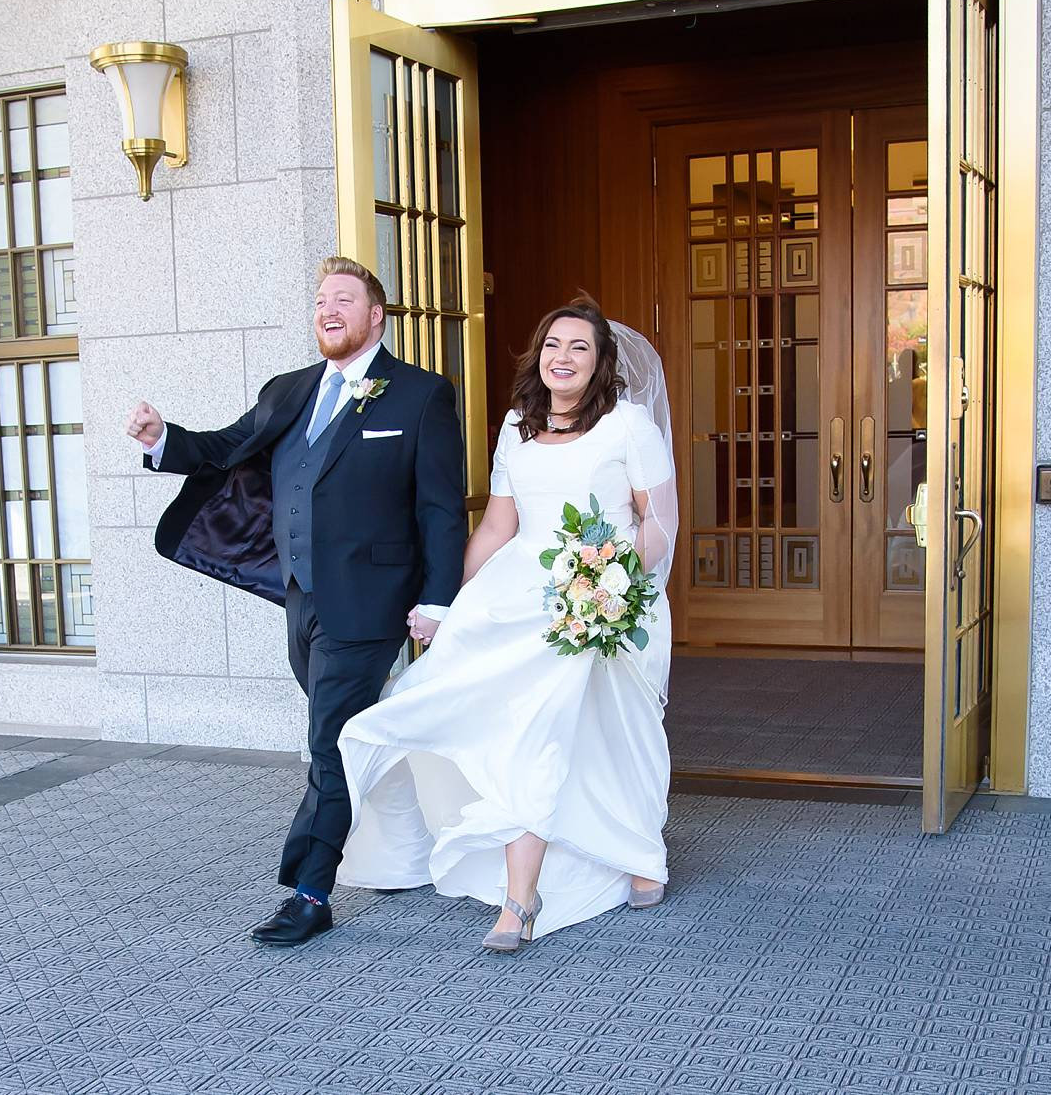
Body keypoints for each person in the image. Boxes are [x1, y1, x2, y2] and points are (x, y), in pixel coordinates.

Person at [126, 257, 467, 947]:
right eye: (319, 301)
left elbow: (439, 508)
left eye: (344, 298)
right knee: (349, 735)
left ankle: (311, 891)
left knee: (330, 745)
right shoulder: (289, 391)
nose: (328, 309)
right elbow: (225, 448)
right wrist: (163, 439)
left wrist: (439, 600)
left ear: (377, 315)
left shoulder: (421, 395)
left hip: (371, 606)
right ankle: (405, 850)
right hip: (301, 599)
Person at [336, 294, 678, 952]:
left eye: (580, 347)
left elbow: (656, 521)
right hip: (517, 594)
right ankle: (522, 897)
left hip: (600, 597)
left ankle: (635, 850)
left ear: (602, 360)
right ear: (538, 356)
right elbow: (498, 524)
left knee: (613, 733)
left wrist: (614, 586)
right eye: (554, 344)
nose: (564, 357)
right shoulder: (518, 423)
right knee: (530, 730)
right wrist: (447, 602)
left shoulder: (629, 426)